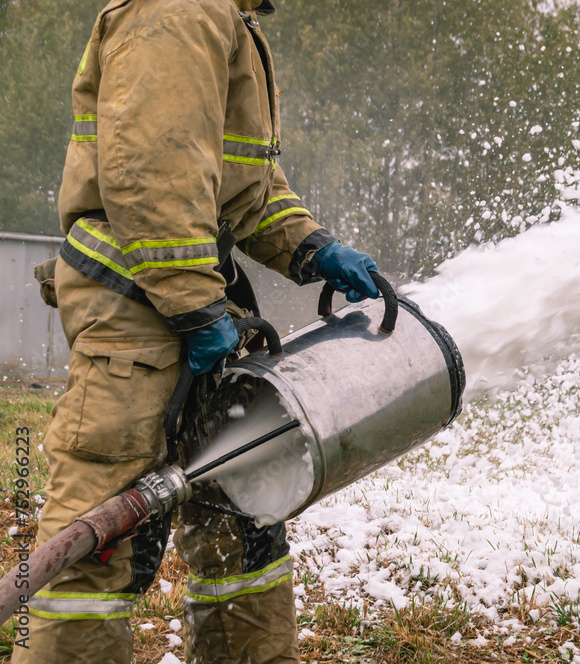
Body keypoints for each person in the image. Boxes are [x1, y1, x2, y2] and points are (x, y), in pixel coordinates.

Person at [17, 0, 377, 662]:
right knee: (96, 546)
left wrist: (313, 248)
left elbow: (244, 191)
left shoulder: (226, 17)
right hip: (136, 315)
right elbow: (153, 175)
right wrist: (198, 309)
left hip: (192, 305)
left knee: (242, 523)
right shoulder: (180, 9)